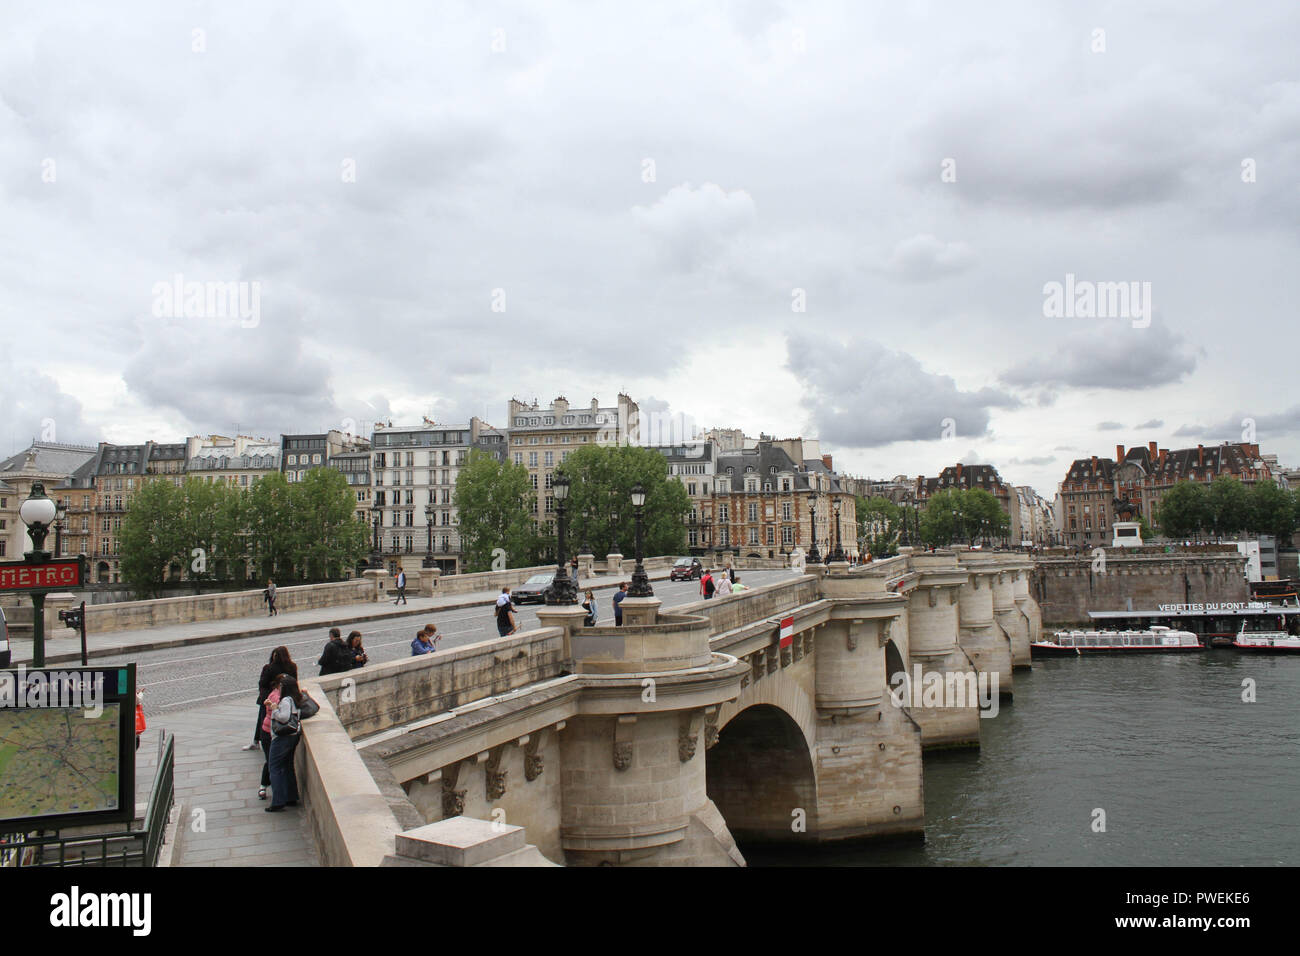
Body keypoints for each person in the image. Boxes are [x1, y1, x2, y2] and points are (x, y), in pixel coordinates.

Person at [246, 646, 297, 750]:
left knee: (264, 720)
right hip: (287, 696)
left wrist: (264, 696)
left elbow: (262, 683)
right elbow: (295, 681)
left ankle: (257, 741)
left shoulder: (270, 668)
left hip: (269, 698)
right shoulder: (292, 666)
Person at [263, 674, 303, 811]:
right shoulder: (295, 698)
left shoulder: (286, 700)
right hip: (293, 735)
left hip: (282, 737)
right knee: (287, 766)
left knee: (274, 767)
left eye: (280, 686)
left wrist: (274, 709)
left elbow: (284, 718)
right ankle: (291, 796)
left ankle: (278, 801)